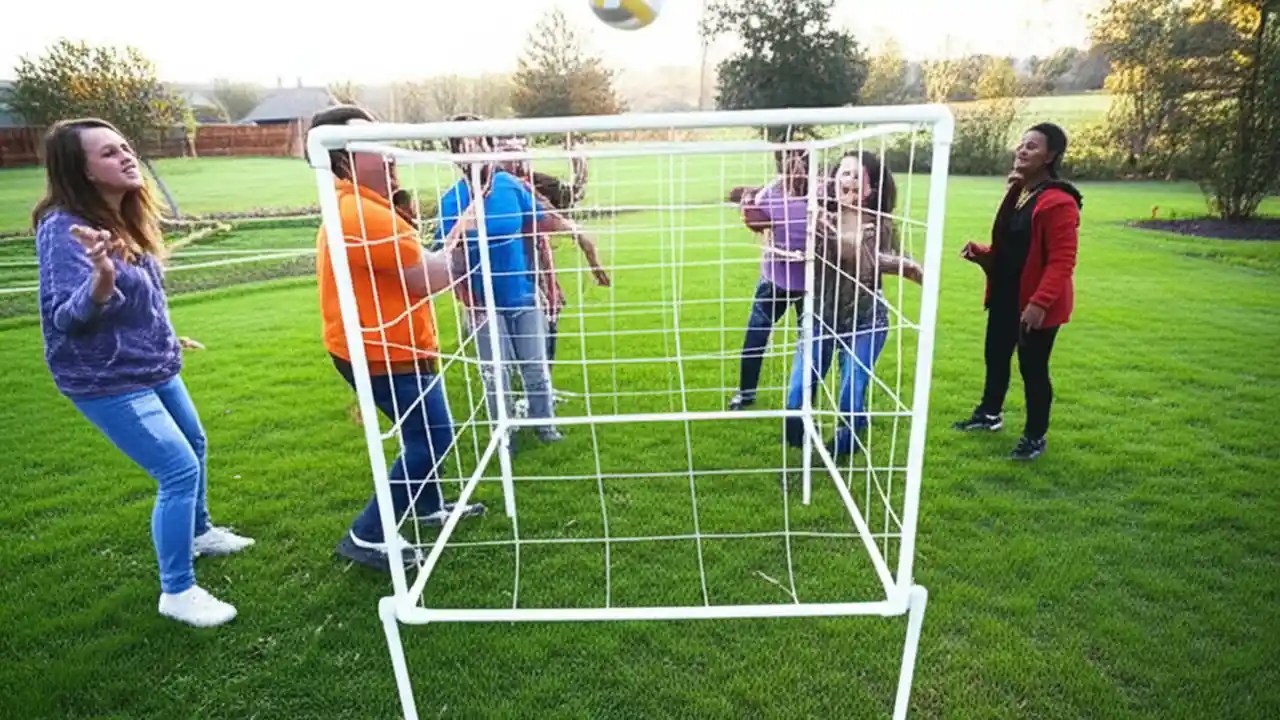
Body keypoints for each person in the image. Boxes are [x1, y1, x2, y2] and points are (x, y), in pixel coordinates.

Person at [34, 118, 253, 627]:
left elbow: (146, 297)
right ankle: (177, 591)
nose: (126, 156)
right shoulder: (65, 229)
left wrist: (164, 337)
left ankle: (198, 532)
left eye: (125, 147)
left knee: (194, 443)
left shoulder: (124, 217)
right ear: (82, 170)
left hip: (152, 361)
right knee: (177, 469)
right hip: (105, 378)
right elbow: (66, 319)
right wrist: (101, 279)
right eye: (109, 153)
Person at [308, 105, 485, 574]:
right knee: (432, 439)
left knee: (421, 435)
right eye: (374, 143)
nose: (389, 152)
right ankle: (366, 535)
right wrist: (467, 233)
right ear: (341, 159)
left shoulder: (363, 207)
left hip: (391, 348)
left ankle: (428, 507)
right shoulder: (361, 213)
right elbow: (429, 279)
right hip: (382, 354)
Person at [435, 115, 607, 447]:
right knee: (496, 374)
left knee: (535, 367)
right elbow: (447, 259)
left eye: (480, 145)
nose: (474, 154)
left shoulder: (510, 187)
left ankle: (546, 428)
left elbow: (546, 220)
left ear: (490, 148)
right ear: (455, 156)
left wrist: (583, 240)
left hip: (523, 296)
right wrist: (469, 300)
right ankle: (505, 436)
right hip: (483, 303)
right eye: (464, 147)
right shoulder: (451, 201)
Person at [955, 122, 1082, 461]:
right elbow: (1012, 246)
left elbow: (1062, 262)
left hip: (1035, 303)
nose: (1022, 150)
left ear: (1050, 156)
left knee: (1033, 369)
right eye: (1022, 144)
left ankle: (1035, 437)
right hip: (1005, 294)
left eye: (1032, 146)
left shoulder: (1058, 202)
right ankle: (989, 414)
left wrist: (1039, 304)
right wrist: (983, 254)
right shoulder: (1020, 191)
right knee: (995, 356)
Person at [784, 150, 923, 456]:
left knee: (851, 390)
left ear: (870, 189)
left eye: (857, 176)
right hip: (821, 316)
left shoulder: (880, 226)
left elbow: (870, 261)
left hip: (866, 320)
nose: (849, 180)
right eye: (844, 173)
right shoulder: (819, 218)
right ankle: (800, 440)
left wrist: (908, 267)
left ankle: (845, 444)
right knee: (796, 393)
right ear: (833, 180)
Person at [726, 149, 811, 411]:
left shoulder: (820, 196)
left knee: (808, 341)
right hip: (777, 279)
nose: (797, 172)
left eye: (801, 166)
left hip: (808, 283)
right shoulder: (771, 196)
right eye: (792, 167)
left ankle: (800, 399)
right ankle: (747, 393)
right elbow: (753, 218)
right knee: (758, 335)